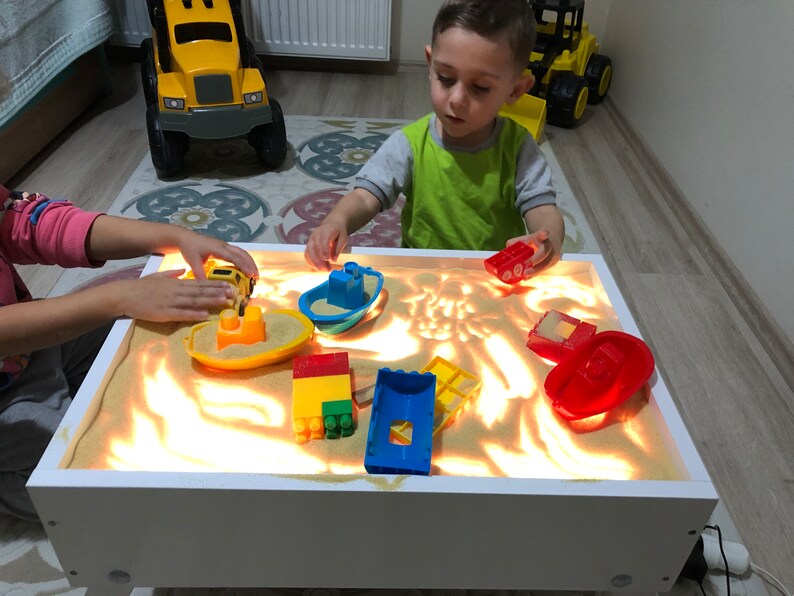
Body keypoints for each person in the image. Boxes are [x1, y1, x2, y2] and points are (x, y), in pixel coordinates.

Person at [0, 185, 258, 520]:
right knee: (96, 483)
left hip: (27, 349)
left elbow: (30, 224)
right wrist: (116, 297)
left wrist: (173, 236)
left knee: (143, 328)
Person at [305, 0, 564, 275]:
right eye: (446, 78)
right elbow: (364, 197)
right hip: (421, 271)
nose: (457, 100)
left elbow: (543, 210)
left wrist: (547, 241)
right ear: (430, 66)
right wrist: (336, 222)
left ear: (516, 90)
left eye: (480, 87)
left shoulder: (518, 148)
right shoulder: (410, 144)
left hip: (493, 278)